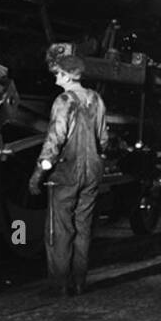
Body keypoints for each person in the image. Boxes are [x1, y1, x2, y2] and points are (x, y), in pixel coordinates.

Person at [28, 55, 107, 296]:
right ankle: (80, 282)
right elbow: (103, 139)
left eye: (57, 73)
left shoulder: (63, 101)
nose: (55, 78)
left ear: (66, 75)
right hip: (92, 171)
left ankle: (60, 284)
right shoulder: (96, 99)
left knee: (59, 229)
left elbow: (55, 140)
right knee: (83, 228)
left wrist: (38, 173)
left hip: (67, 171)